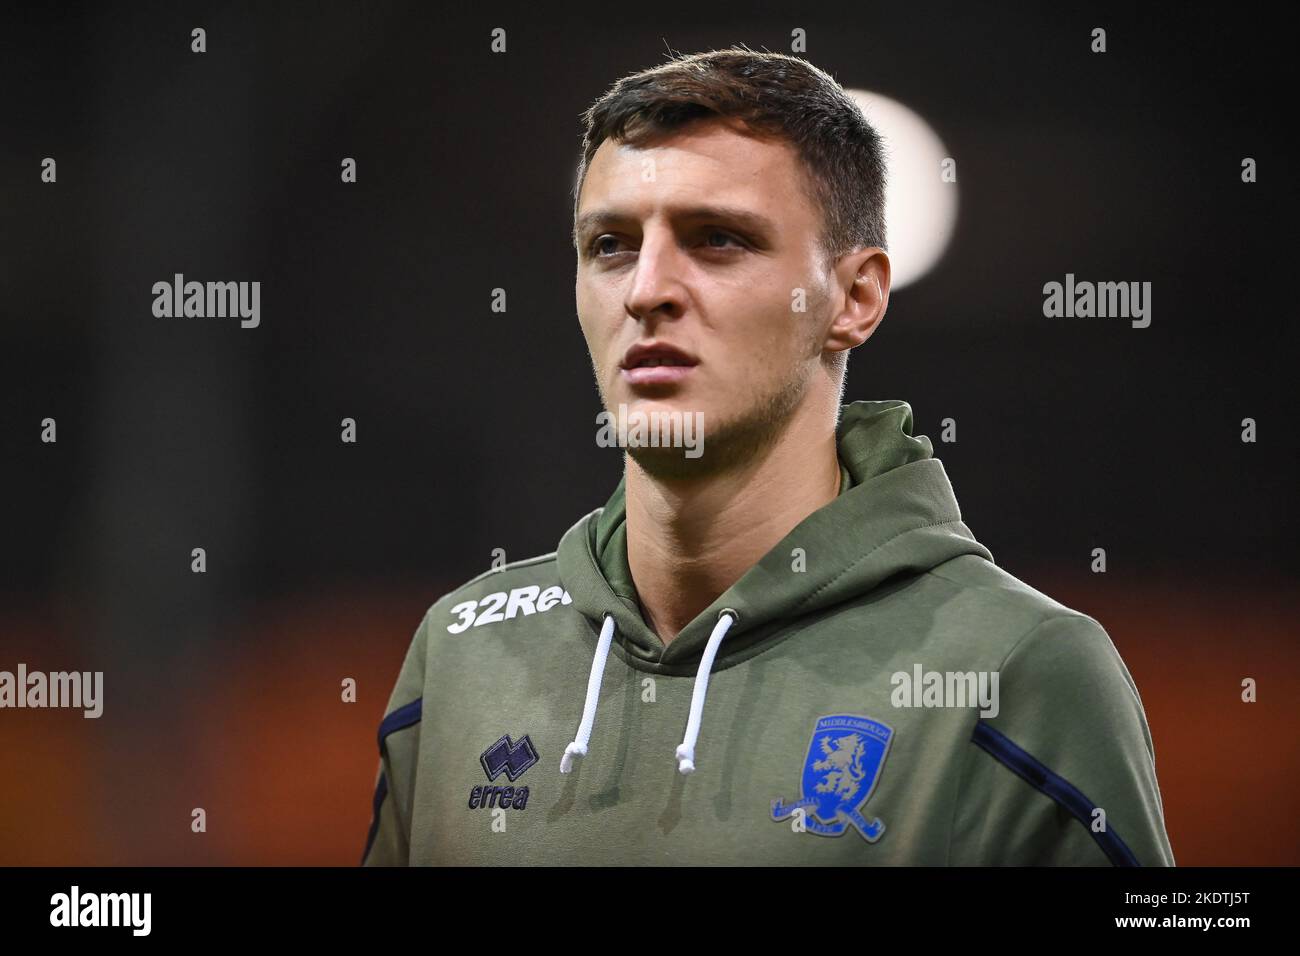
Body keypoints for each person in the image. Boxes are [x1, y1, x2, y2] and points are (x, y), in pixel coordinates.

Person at [361, 45, 1175, 865]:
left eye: (717, 240)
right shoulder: (462, 659)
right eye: (610, 245)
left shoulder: (1017, 671)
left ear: (854, 298)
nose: (646, 290)